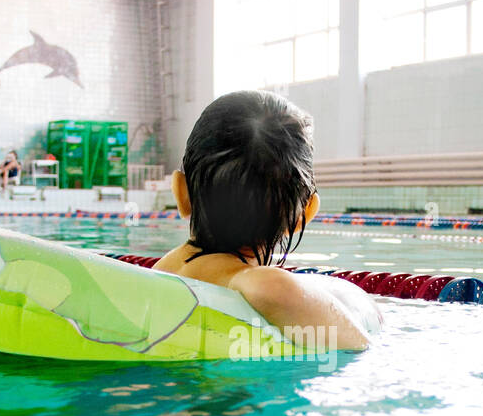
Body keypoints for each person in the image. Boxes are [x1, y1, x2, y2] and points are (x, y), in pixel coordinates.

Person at [154, 90, 380, 351]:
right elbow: (360, 346)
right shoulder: (261, 284)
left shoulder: (159, 272)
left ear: (181, 193)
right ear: (304, 213)